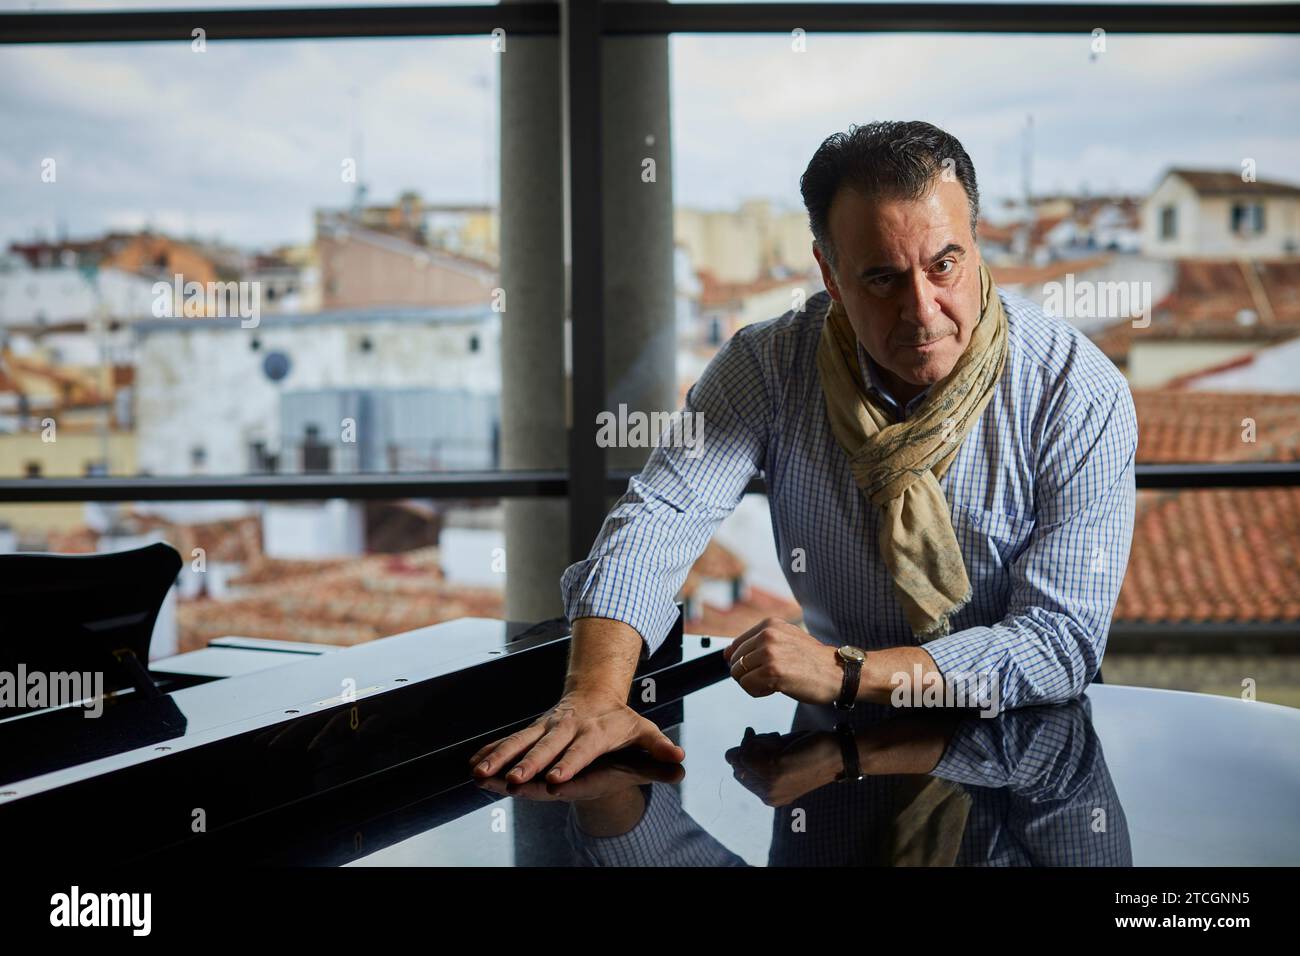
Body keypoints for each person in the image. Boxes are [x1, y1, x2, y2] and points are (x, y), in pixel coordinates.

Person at [470, 119, 1137, 787]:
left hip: (1027, 753)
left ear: (977, 245)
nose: (922, 310)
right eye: (882, 277)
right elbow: (659, 517)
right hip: (835, 749)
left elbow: (1059, 642)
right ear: (831, 274)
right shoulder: (766, 366)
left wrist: (848, 671)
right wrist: (596, 694)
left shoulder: (1078, 391)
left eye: (944, 265)